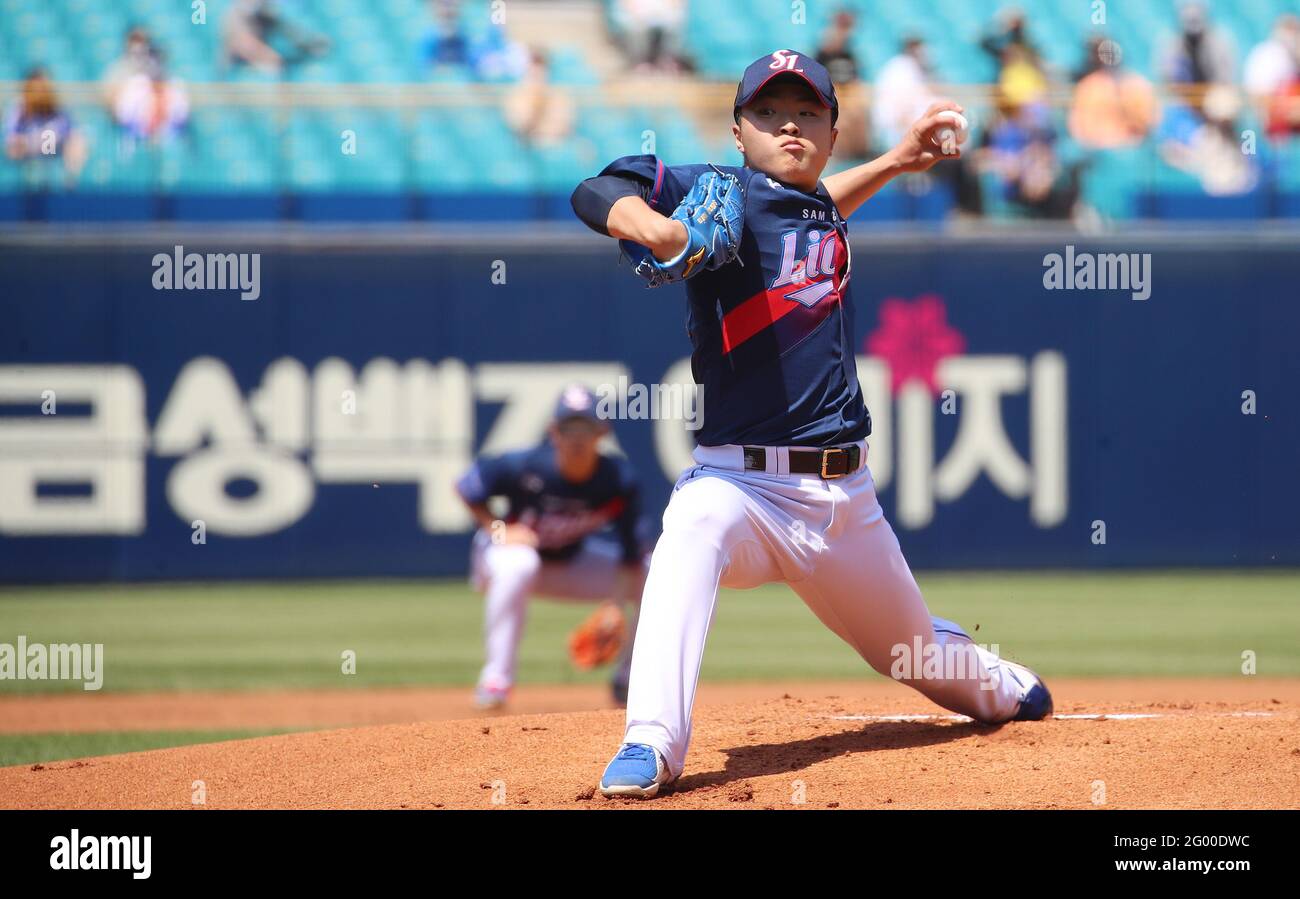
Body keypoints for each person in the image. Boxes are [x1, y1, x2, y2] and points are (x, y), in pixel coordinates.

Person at [570, 51, 1053, 798]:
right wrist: (660, 230)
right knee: (687, 534)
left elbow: (820, 203)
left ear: (832, 134)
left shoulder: (818, 202)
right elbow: (595, 188)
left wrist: (897, 159)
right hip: (737, 484)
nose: (788, 123)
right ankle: (652, 740)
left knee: (914, 657)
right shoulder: (717, 188)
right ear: (737, 131)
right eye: (767, 112)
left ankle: (993, 680)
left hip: (842, 501)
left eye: (808, 113)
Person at [455, 385, 648, 710]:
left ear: (602, 432)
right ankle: (495, 681)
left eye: (584, 427)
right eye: (567, 427)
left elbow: (632, 553)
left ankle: (629, 680)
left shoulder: (617, 479)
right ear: (553, 432)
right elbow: (466, 486)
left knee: (655, 572)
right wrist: (499, 529)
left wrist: (616, 604)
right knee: (520, 562)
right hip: (503, 558)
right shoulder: (526, 465)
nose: (576, 437)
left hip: (569, 564)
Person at [3, 67, 87, 183]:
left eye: (44, 89)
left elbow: (64, 137)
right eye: (35, 89)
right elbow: (11, 145)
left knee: (77, 143)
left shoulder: (58, 110)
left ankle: (70, 187)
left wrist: (34, 143)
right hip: (24, 163)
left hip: (53, 159)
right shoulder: (18, 110)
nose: (40, 94)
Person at [503, 48, 575, 146]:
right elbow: (518, 125)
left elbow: (565, 124)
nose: (537, 77)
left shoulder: (558, 96)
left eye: (540, 73)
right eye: (533, 73)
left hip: (554, 143)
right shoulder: (516, 96)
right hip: (527, 145)